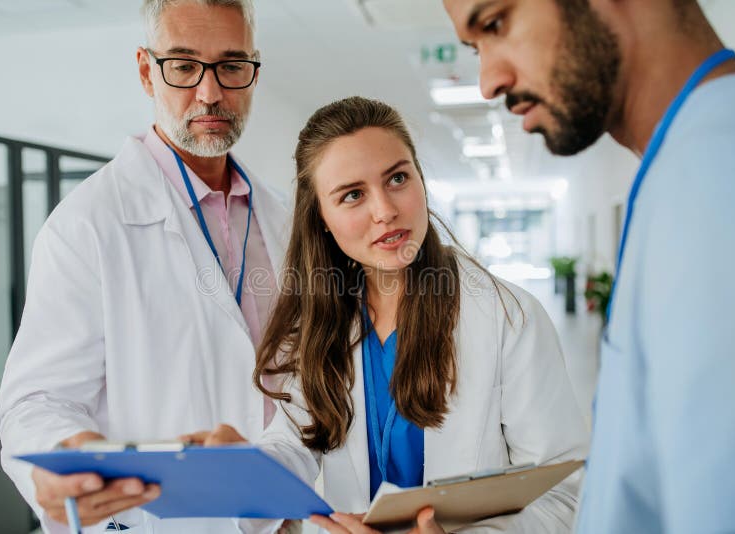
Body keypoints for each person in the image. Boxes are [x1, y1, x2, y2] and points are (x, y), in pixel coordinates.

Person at [193, 96, 588, 534]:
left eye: (397, 178)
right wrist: (248, 473)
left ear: (420, 177)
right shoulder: (319, 324)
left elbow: (563, 491)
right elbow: (295, 442)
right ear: (321, 217)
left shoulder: (508, 319)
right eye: (353, 195)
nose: (385, 210)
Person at [442, 1, 735, 532]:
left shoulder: (719, 180)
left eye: (495, 22)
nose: (488, 81)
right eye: (475, 48)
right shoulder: (679, 173)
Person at [0, 0, 289, 532]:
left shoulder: (282, 218)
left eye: (231, 65)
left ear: (253, 69)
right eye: (182, 65)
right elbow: (37, 399)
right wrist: (63, 451)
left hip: (277, 514)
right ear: (145, 72)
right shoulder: (86, 225)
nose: (210, 92)